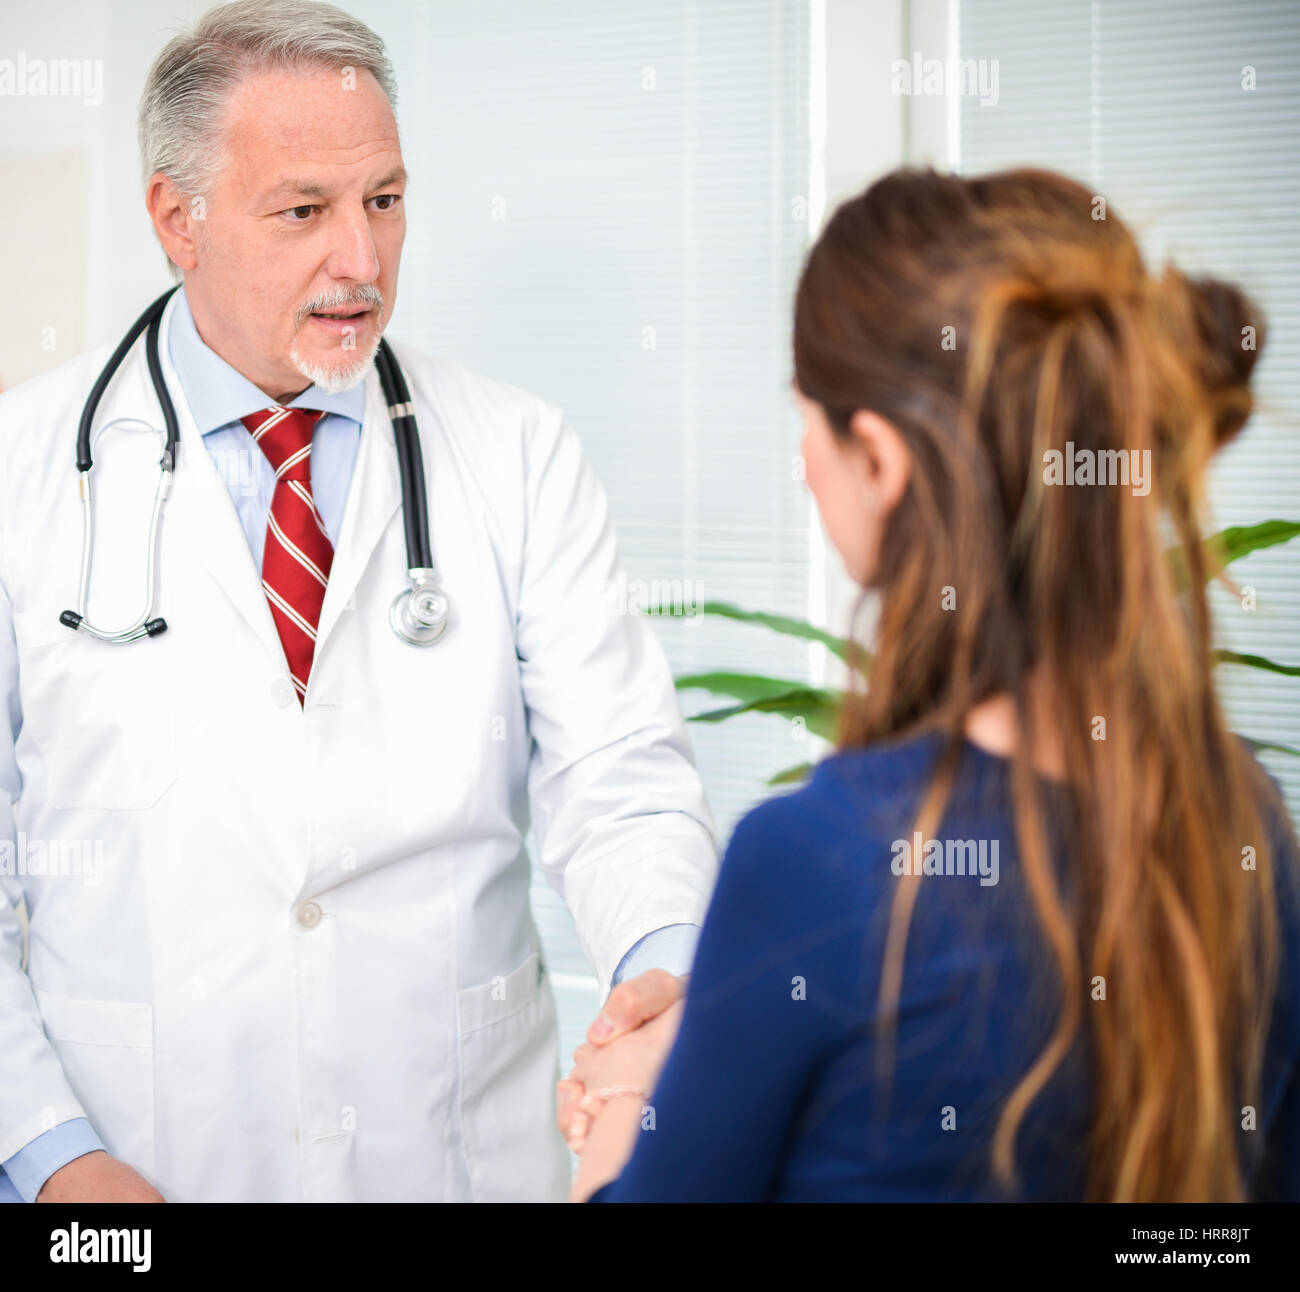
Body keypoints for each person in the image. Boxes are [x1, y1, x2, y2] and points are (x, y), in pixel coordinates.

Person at [0, 0, 717, 1203]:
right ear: (177, 219)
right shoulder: (23, 467)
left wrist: (665, 977)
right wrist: (50, 1155)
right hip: (129, 1169)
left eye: (384, 199)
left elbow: (621, 779)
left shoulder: (514, 452)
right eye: (303, 211)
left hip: (454, 1159)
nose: (363, 260)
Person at [558, 166, 1300, 1203]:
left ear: (878, 458)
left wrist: (628, 1121)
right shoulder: (1242, 819)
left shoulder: (821, 862)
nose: (802, 462)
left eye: (806, 419)